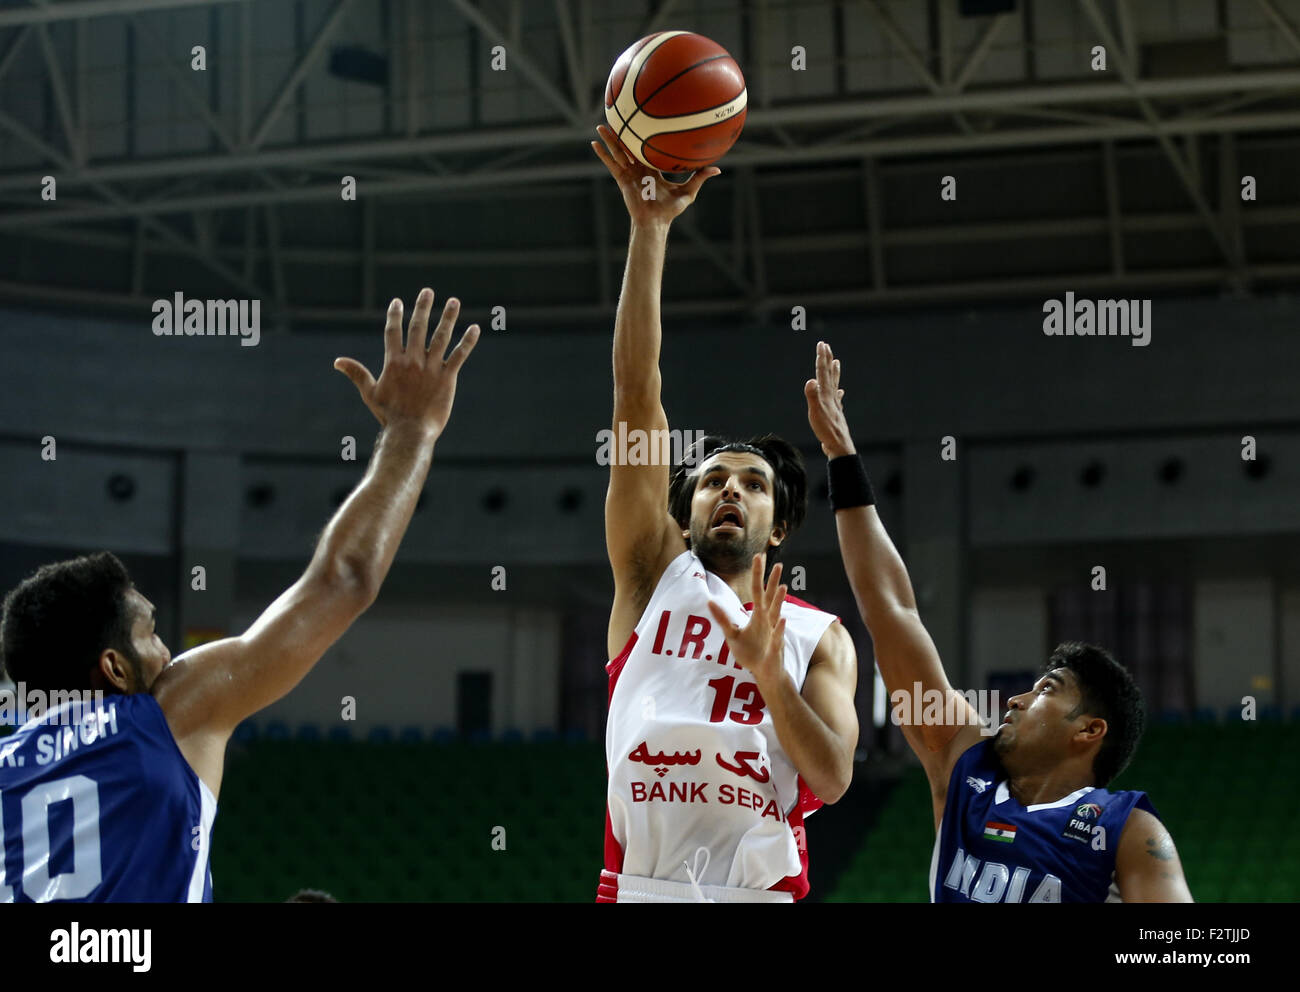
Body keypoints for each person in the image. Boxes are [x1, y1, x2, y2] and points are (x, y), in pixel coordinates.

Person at [0, 290, 478, 902]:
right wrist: (414, 429)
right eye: (148, 632)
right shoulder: (169, 714)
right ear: (113, 668)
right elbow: (343, 580)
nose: (168, 650)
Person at [802, 340, 1193, 902]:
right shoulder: (964, 765)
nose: (1014, 700)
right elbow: (891, 612)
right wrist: (841, 457)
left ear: (1089, 730)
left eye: (1045, 692)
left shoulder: (1126, 829)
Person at [590, 125, 859, 903]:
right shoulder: (651, 579)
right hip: (639, 888)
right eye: (711, 481)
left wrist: (772, 676)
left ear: (778, 527)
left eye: (753, 482)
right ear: (684, 513)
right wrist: (650, 228)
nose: (730, 490)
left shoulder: (820, 637)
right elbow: (636, 396)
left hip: (760, 893)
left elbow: (834, 778)